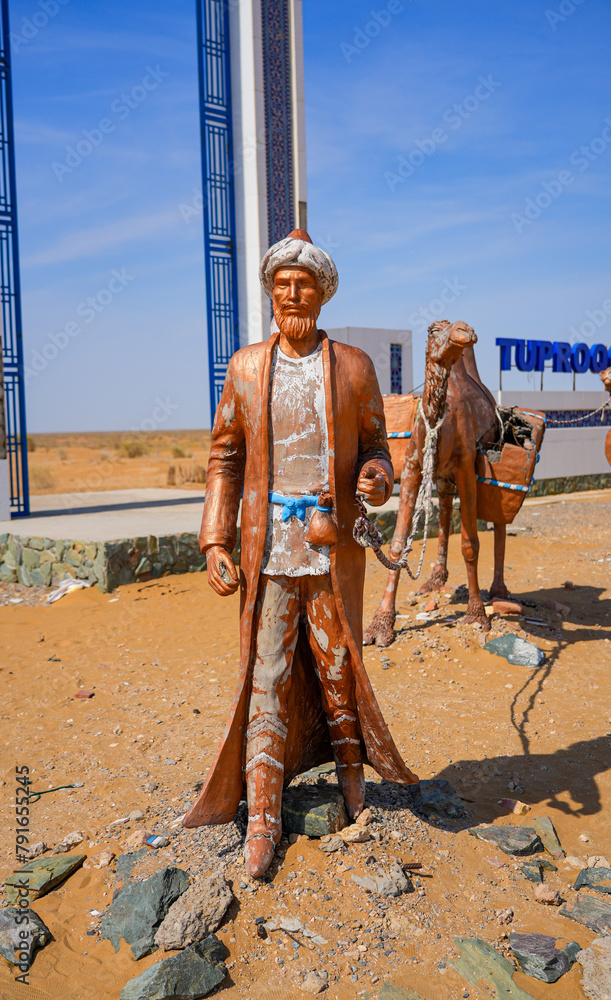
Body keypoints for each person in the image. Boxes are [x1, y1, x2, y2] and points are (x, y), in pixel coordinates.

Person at [182, 229, 418, 878]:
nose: (292, 293)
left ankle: (352, 784)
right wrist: (214, 540)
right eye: (281, 283)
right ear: (269, 291)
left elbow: (376, 448)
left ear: (323, 292)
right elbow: (224, 458)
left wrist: (374, 476)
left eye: (304, 283)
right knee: (265, 675)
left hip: (331, 547)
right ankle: (261, 815)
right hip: (267, 552)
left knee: (338, 663)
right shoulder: (245, 367)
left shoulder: (354, 368)